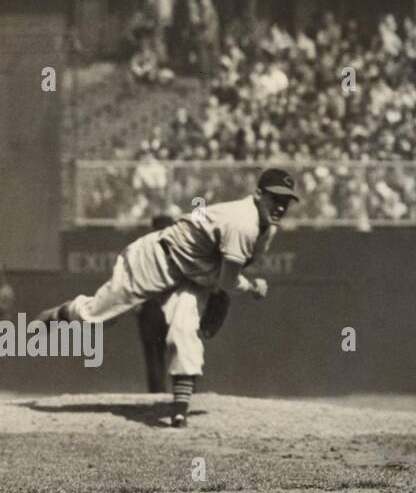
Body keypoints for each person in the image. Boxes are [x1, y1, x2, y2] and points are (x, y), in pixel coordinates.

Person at [34, 169, 297, 427]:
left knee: (184, 328)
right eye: (275, 198)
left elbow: (231, 270)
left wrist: (218, 290)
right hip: (157, 259)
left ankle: (179, 409)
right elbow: (229, 279)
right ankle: (59, 314)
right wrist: (249, 288)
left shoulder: (266, 230)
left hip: (193, 275)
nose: (280, 207)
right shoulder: (243, 222)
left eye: (286, 201)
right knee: (95, 319)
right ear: (258, 194)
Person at [136, 214, 177, 394]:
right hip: (173, 307)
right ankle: (184, 393)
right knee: (180, 352)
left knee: (154, 355)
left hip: (151, 308)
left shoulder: (142, 250)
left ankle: (157, 395)